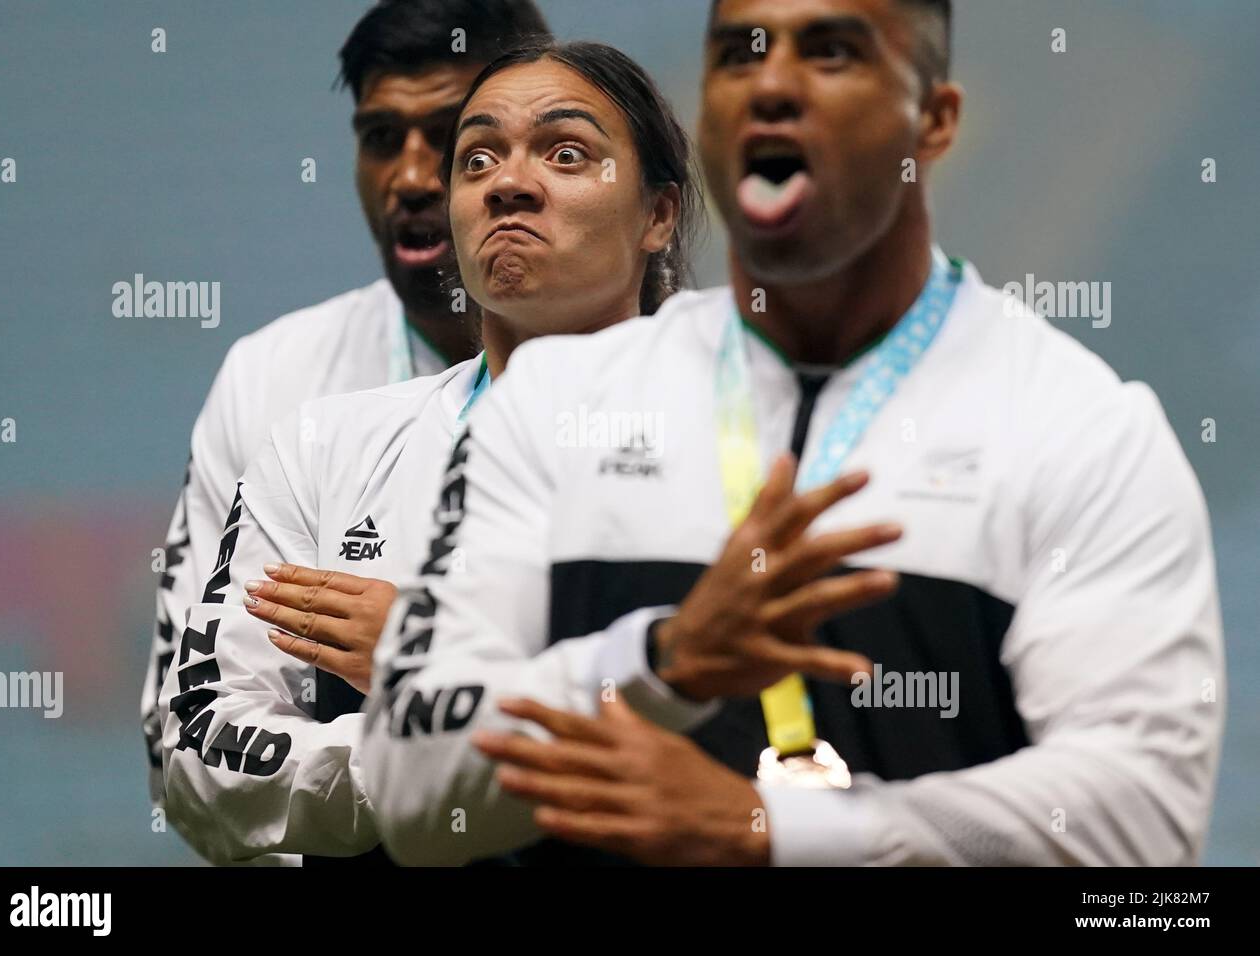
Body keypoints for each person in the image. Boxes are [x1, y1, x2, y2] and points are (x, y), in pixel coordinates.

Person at [359, 0, 1224, 867]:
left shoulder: (1084, 424)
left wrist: (777, 832)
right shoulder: (555, 401)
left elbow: (1139, 822)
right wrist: (660, 664)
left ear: (934, 119)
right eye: (739, 55)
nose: (772, 83)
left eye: (833, 53)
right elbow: (409, 784)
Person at [158, 40, 706, 865]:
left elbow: (755, 738)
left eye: (565, 153)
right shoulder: (322, 446)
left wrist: (418, 667)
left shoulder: (739, 446)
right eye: (478, 156)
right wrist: (431, 749)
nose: (508, 183)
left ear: (658, 214)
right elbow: (202, 756)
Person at [139, 0, 550, 828]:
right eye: (379, 138)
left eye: (449, 137)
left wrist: (417, 668)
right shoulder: (277, 382)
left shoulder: (690, 389)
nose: (409, 178)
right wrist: (457, 763)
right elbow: (184, 744)